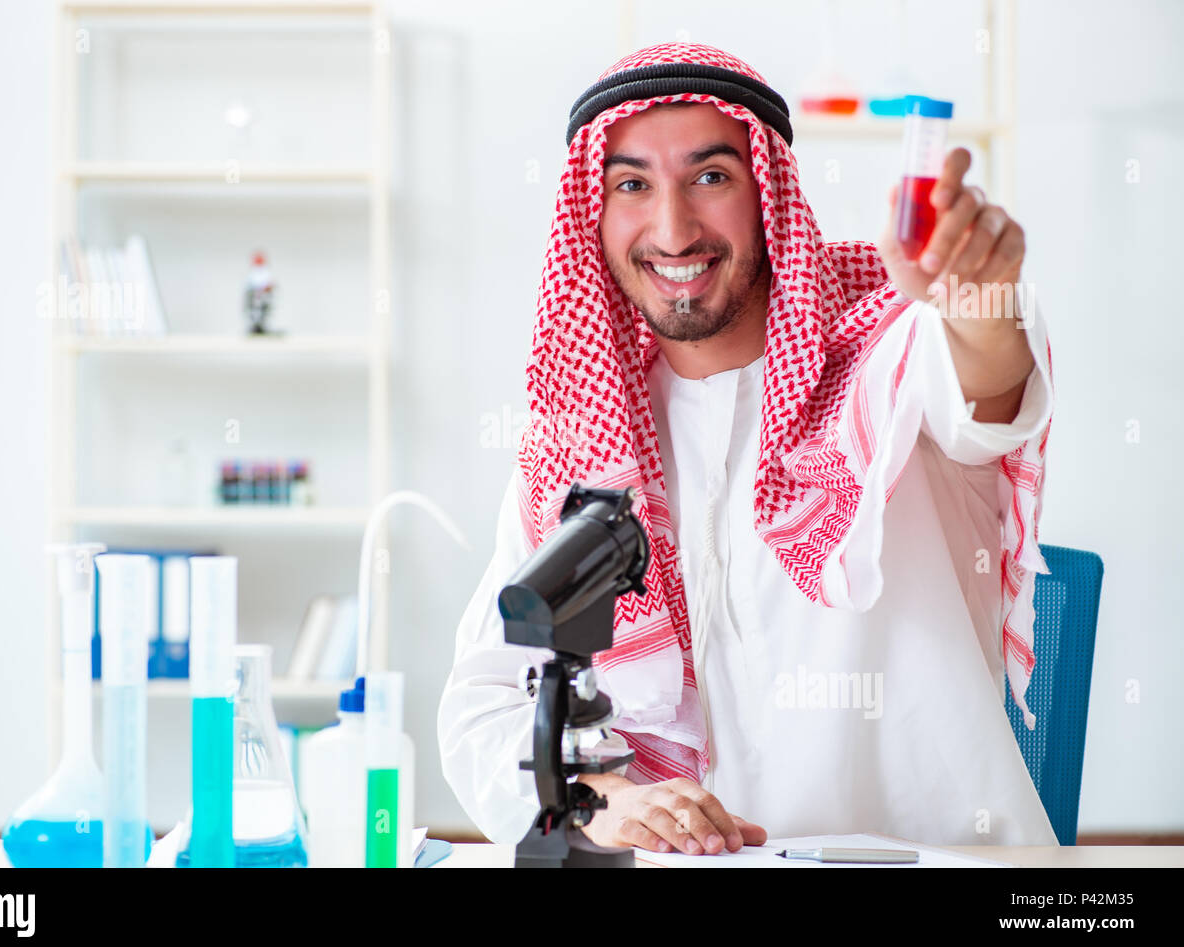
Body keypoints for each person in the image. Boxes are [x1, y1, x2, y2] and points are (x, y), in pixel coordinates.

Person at [438, 42, 1057, 854]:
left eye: (710, 177)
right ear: (595, 214)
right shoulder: (582, 438)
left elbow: (985, 385)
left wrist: (980, 291)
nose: (672, 227)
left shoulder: (892, 349)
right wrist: (597, 800)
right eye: (632, 185)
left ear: (767, 192)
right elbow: (486, 699)